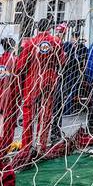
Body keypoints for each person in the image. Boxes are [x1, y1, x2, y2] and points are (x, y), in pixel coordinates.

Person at [15, 20, 63, 153]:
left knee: (28, 114)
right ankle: (41, 145)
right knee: (45, 114)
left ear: (37, 28)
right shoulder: (56, 42)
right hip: (49, 81)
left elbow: (21, 66)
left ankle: (27, 146)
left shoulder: (31, 43)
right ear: (49, 28)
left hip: (33, 82)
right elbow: (62, 61)